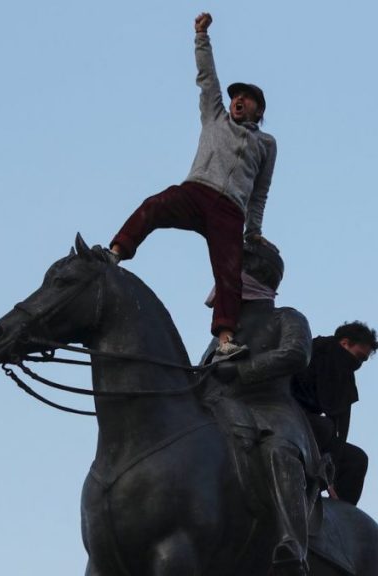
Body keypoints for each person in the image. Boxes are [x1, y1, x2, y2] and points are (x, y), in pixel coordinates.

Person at [109, 12, 276, 356]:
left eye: (248, 99)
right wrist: (201, 36)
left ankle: (226, 340)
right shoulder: (214, 115)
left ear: (259, 111)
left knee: (229, 275)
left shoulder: (266, 144)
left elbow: (260, 191)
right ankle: (115, 253)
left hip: (230, 210)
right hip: (197, 190)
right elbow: (207, 77)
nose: (239, 100)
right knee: (154, 205)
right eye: (236, 96)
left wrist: (253, 230)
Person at [203, 240, 318, 576]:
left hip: (270, 408)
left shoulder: (287, 317)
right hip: (220, 408)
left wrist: (242, 371)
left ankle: (292, 542)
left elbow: (296, 354)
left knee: (279, 453)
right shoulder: (224, 331)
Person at [291, 321, 378, 506]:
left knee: (356, 459)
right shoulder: (313, 351)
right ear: (344, 343)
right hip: (289, 415)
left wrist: (333, 461)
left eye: (362, 361)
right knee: (324, 428)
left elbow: (342, 422)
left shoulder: (345, 376)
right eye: (358, 356)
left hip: (317, 430)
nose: (357, 364)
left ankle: (340, 512)